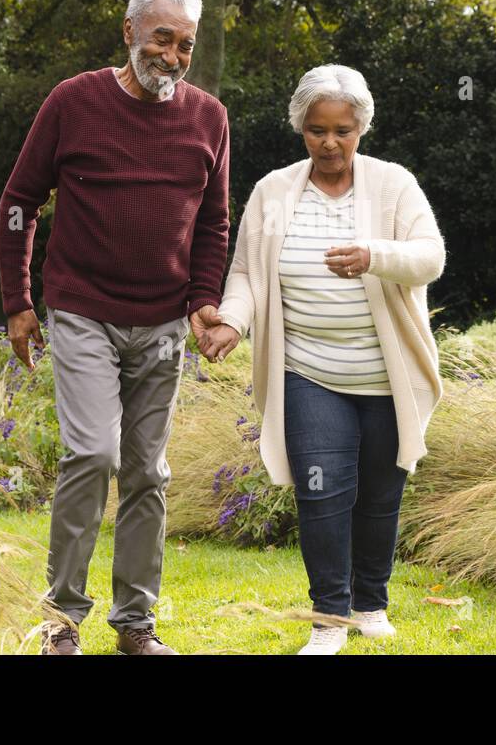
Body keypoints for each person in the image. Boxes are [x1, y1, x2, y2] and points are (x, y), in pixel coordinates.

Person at [0, 0, 230, 655]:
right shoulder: (74, 102)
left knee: (148, 471)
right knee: (92, 452)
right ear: (128, 31)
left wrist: (203, 300)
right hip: (83, 311)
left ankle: (135, 626)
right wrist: (17, 301)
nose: (174, 55)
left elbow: (213, 222)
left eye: (185, 45)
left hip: (161, 322)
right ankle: (61, 624)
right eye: (162, 38)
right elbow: (19, 200)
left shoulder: (209, 117)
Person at [199, 64, 446, 654]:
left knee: (382, 493)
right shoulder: (274, 191)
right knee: (321, 490)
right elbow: (247, 274)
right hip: (308, 370)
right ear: (300, 129)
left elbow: (429, 256)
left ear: (361, 127)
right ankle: (328, 619)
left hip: (386, 374)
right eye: (317, 131)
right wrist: (233, 320)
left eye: (342, 130)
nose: (330, 143)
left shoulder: (392, 185)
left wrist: (373, 256)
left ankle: (371, 606)